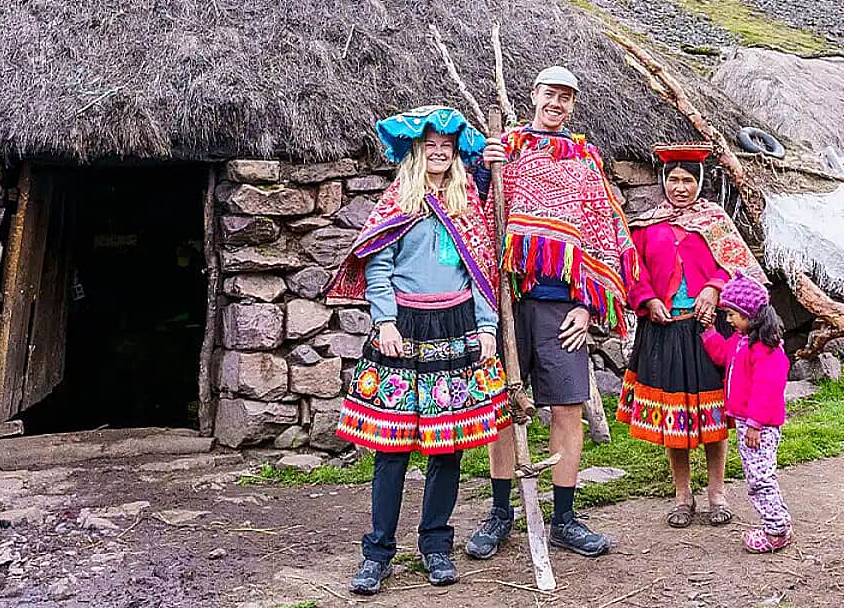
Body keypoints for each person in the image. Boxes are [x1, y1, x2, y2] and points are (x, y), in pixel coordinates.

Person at [326, 107, 511, 595]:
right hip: (402, 328)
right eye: (428, 145)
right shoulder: (396, 203)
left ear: (455, 154)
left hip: (455, 328)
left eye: (446, 146)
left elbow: (481, 272)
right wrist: (384, 319)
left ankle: (435, 546)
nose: (438, 152)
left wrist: (487, 326)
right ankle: (377, 553)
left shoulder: (466, 203)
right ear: (415, 151)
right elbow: (378, 265)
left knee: (445, 447)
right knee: (391, 450)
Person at [465, 66, 638, 560]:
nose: (556, 103)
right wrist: (483, 166)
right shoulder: (506, 151)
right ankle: (500, 513)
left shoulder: (584, 161)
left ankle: (564, 517)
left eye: (566, 97)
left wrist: (587, 306)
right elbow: (473, 213)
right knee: (500, 407)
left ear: (572, 105)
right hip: (507, 301)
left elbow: (601, 231)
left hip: (562, 303)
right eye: (550, 94)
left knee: (567, 407)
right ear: (533, 95)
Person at [616, 144, 766, 529]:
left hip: (706, 331)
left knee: (714, 414)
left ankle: (718, 492)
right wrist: (647, 299)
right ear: (664, 181)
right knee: (673, 418)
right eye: (673, 179)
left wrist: (715, 287)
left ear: (699, 182)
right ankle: (683, 495)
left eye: (687, 180)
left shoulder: (715, 222)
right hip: (663, 330)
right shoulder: (648, 226)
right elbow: (633, 272)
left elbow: (737, 267)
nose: (680, 187)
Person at [701, 272, 792, 553]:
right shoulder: (742, 341)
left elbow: (767, 389)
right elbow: (721, 355)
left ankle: (776, 531)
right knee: (758, 474)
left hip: (758, 426)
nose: (727, 320)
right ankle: (779, 524)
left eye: (731, 314)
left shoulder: (766, 349)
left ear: (750, 314)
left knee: (760, 478)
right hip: (747, 423)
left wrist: (754, 424)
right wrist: (708, 333)